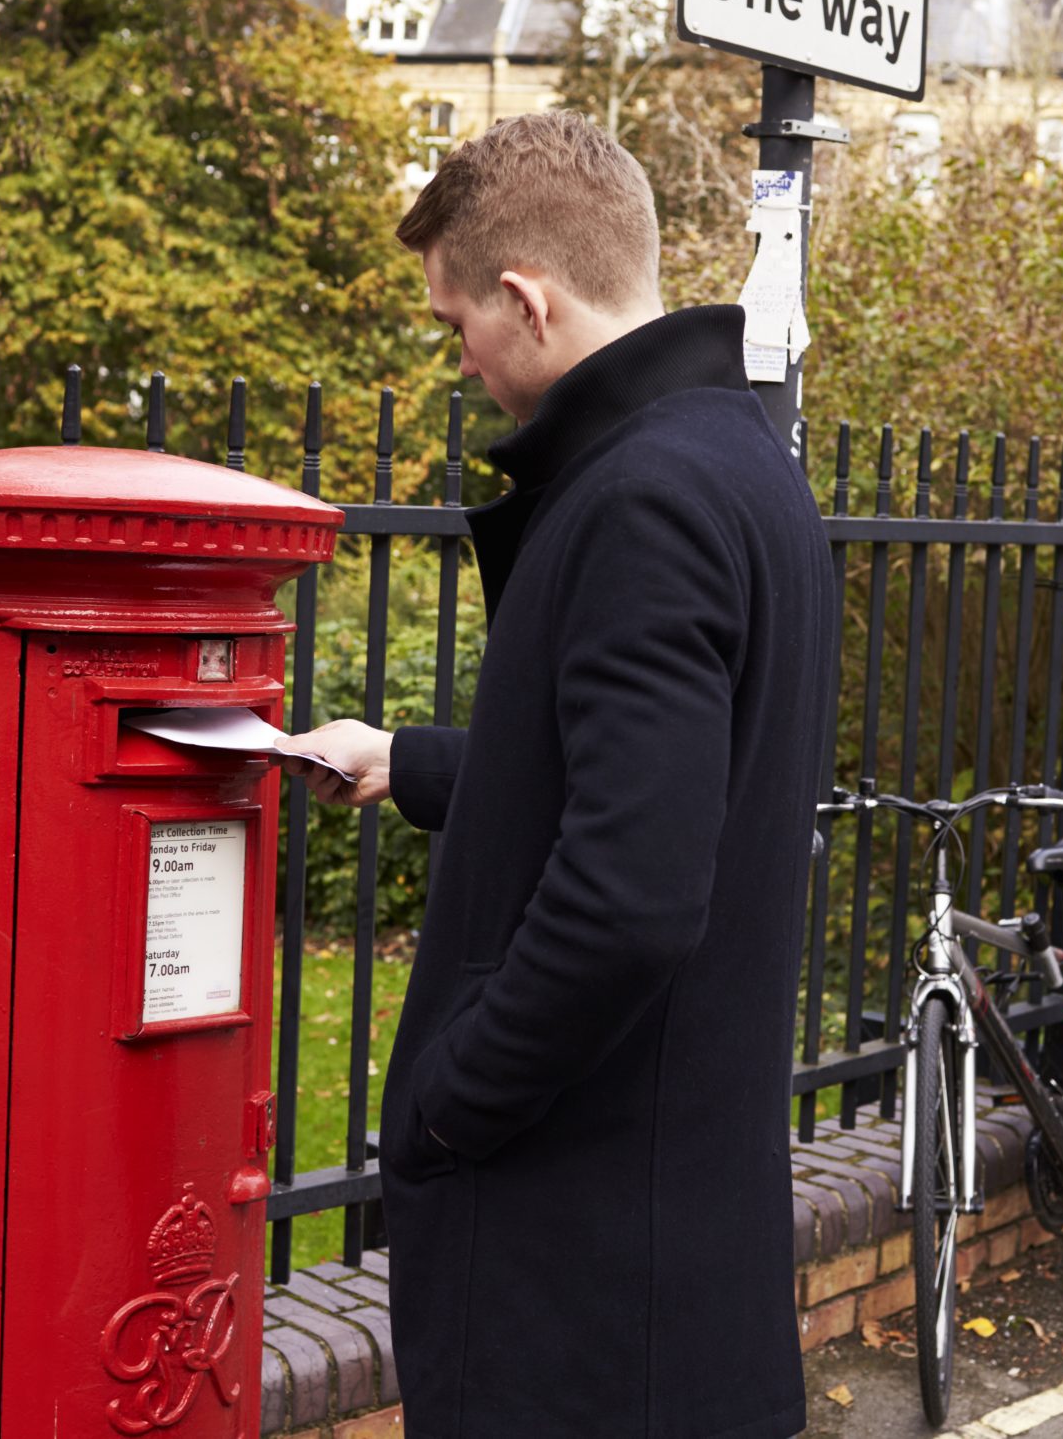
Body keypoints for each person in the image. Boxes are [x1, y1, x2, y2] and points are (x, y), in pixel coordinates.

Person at [278, 111, 837, 1439]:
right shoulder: (744, 463)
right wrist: (405, 762)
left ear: (528, 300)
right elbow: (657, 781)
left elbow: (631, 893)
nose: (461, 357)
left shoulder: (639, 499)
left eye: (458, 322)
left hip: (585, 1278)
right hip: (676, 1248)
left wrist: (451, 1104)